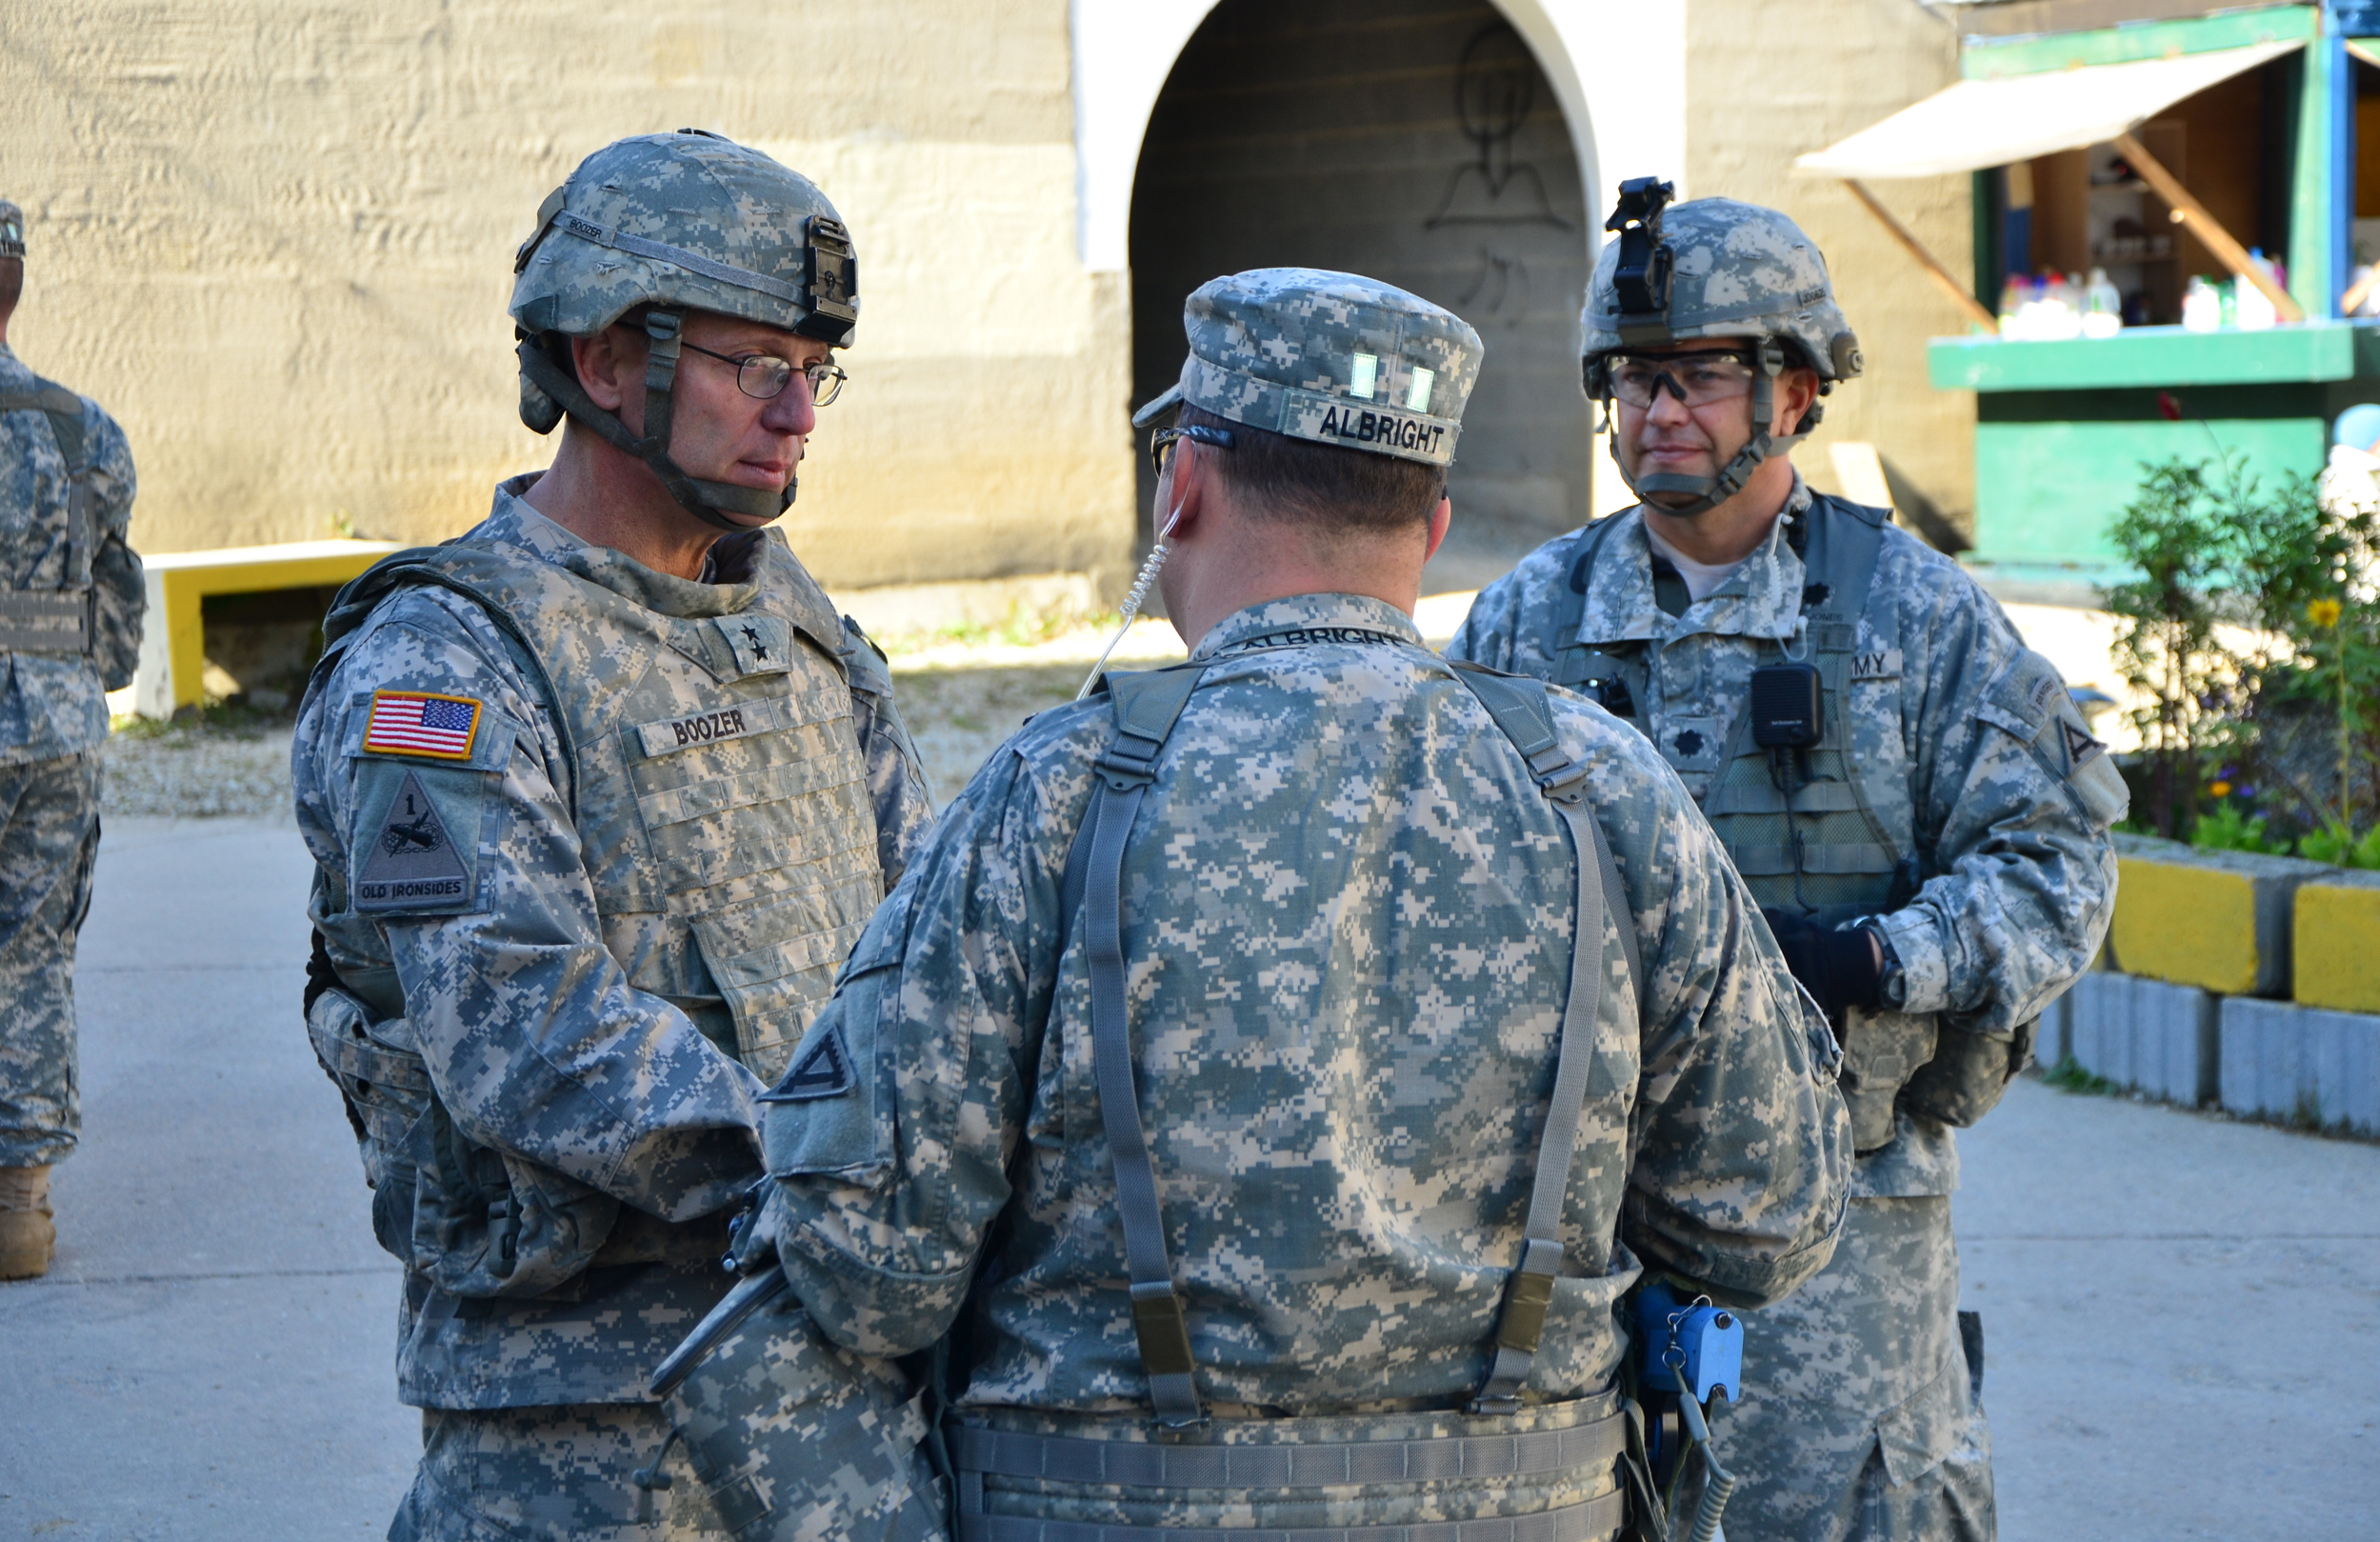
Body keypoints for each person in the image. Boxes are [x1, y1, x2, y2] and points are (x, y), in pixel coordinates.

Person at [656, 267, 1852, 1541]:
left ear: (1185, 486)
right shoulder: (1602, 789)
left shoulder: (1056, 792)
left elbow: (867, 1266)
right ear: (1433, 523)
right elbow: (1769, 1216)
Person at [1447, 183, 2128, 1541]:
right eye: (1634, 379)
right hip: (1579, 1224)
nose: (1657, 412)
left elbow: (2055, 864)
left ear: (1797, 391)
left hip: (1846, 1223)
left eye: (1697, 375)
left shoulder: (1915, 621)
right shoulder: (1529, 620)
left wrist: (1880, 957)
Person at [290, 130, 933, 1541]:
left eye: (814, 372)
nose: (800, 415)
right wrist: (840, 1185)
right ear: (602, 364)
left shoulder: (794, 625)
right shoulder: (441, 669)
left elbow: (923, 940)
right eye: (756, 365)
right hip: (575, 1437)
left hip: (830, 1401)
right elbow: (519, 1025)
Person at [0, 198, 145, 1282]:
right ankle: (21, 1206)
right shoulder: (83, 429)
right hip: (56, 719)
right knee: (32, 951)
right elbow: (117, 600)